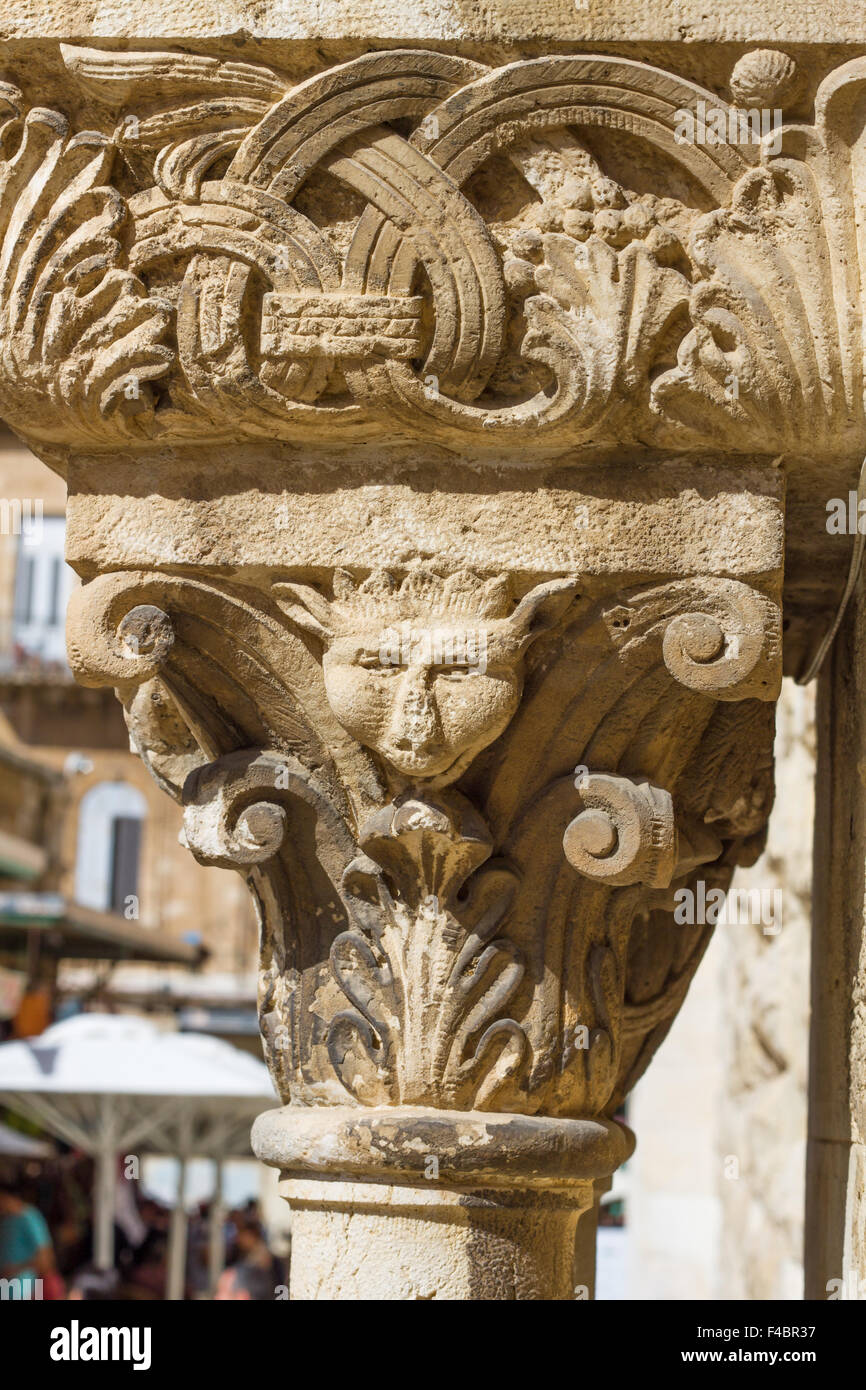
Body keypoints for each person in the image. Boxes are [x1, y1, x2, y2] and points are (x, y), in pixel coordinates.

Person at [0, 1180, 58, 1298]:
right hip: (7, 1288)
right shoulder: (6, 1220)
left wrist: (15, 1269)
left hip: (25, 1287)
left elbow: (45, 1257)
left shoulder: (29, 1217)